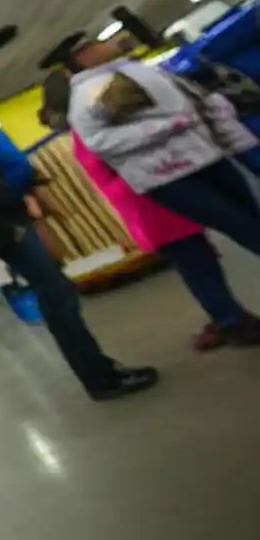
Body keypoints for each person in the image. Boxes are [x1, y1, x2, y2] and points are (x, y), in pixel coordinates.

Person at [0, 97, 158, 401]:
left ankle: (99, 369)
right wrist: (4, 231)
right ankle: (100, 378)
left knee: (59, 294)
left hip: (14, 223)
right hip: (7, 232)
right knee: (57, 297)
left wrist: (21, 203)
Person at [41, 71, 260, 348]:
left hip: (147, 207)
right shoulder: (93, 132)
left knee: (198, 263)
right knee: (199, 263)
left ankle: (229, 319)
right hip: (154, 204)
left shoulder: (81, 137)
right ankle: (231, 321)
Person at [68, 56, 260, 258]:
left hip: (207, 156)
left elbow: (198, 102)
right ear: (83, 53)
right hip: (166, 175)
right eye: (99, 41)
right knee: (235, 222)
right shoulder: (87, 96)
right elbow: (99, 141)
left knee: (249, 215)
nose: (112, 41)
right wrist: (164, 127)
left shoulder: (143, 71)